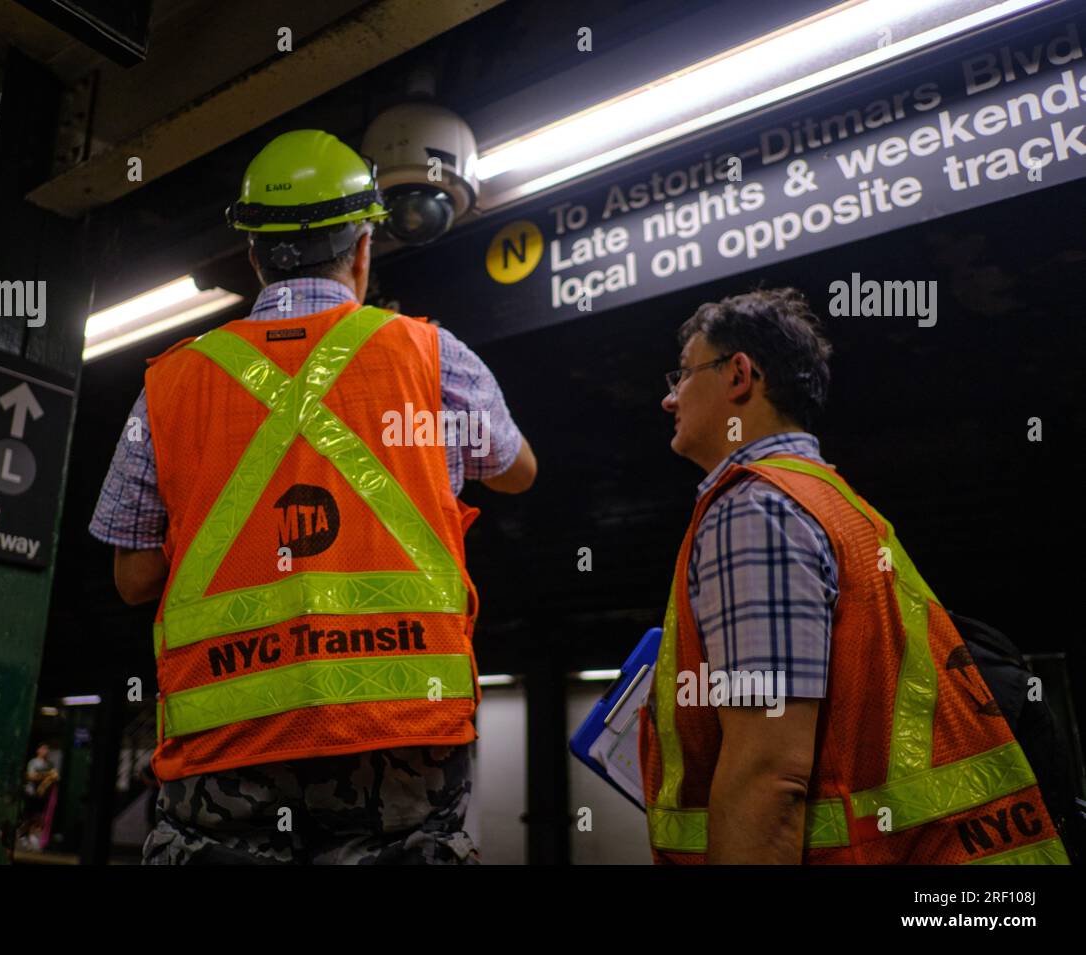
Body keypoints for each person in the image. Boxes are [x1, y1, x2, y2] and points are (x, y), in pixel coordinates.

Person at [89, 129, 536, 865]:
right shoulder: (430, 355)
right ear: (363, 248)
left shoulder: (168, 385)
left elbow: (134, 578)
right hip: (400, 743)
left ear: (253, 256)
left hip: (224, 751)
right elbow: (517, 470)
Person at [639, 287, 1068, 864]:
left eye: (683, 375)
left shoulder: (756, 508)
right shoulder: (837, 503)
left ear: (739, 374)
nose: (670, 399)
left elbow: (768, 774)